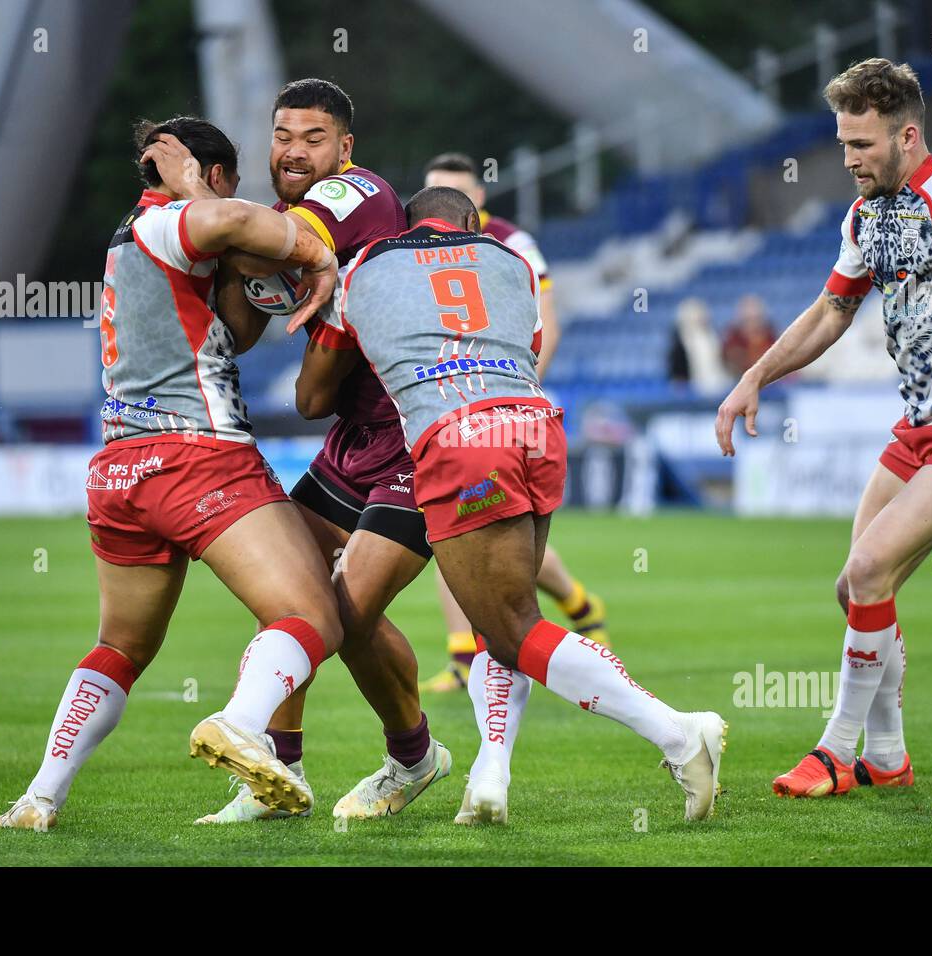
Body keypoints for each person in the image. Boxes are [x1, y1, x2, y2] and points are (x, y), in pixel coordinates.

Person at [300, 185, 728, 824]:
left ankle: (677, 733)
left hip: (459, 438)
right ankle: (489, 775)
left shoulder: (367, 265)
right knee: (502, 626)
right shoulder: (511, 263)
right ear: (473, 225)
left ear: (409, 225)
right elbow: (524, 347)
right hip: (535, 428)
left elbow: (312, 396)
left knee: (513, 629)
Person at [715, 58, 932, 798]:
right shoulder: (865, 216)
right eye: (843, 145)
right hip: (916, 432)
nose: (849, 161)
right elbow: (829, 313)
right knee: (856, 589)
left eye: (863, 146)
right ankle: (888, 756)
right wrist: (754, 377)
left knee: (870, 570)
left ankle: (835, 753)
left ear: (907, 135)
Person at [0, 115, 344, 830]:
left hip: (122, 469)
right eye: (229, 181)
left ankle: (40, 796)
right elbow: (233, 221)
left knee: (121, 646)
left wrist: (253, 281)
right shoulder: (172, 222)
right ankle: (243, 727)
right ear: (209, 175)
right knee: (312, 615)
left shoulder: (131, 242)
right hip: (197, 457)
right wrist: (310, 251)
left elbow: (233, 331)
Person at [148, 78, 451, 823]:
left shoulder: (357, 193)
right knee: (290, 600)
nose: (293, 150)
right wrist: (232, 254)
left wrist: (194, 198)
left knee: (341, 610)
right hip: (356, 436)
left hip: (418, 431)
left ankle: (413, 759)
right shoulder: (273, 221)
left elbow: (269, 261)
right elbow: (245, 322)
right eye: (283, 135)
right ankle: (278, 780)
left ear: (344, 149)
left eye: (312, 137)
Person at [419, 152, 610, 695]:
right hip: (448, 410)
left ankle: (573, 607)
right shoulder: (413, 250)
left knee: (498, 531)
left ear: (478, 198)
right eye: (436, 193)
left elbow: (545, 321)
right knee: (455, 528)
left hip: (505, 408)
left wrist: (516, 392)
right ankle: (468, 657)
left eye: (457, 193)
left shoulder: (513, 244)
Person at [720, 294, 777, 380]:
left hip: (770, 380)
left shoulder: (770, 334)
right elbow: (729, 362)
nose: (752, 321)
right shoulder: (733, 337)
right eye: (748, 319)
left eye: (756, 318)